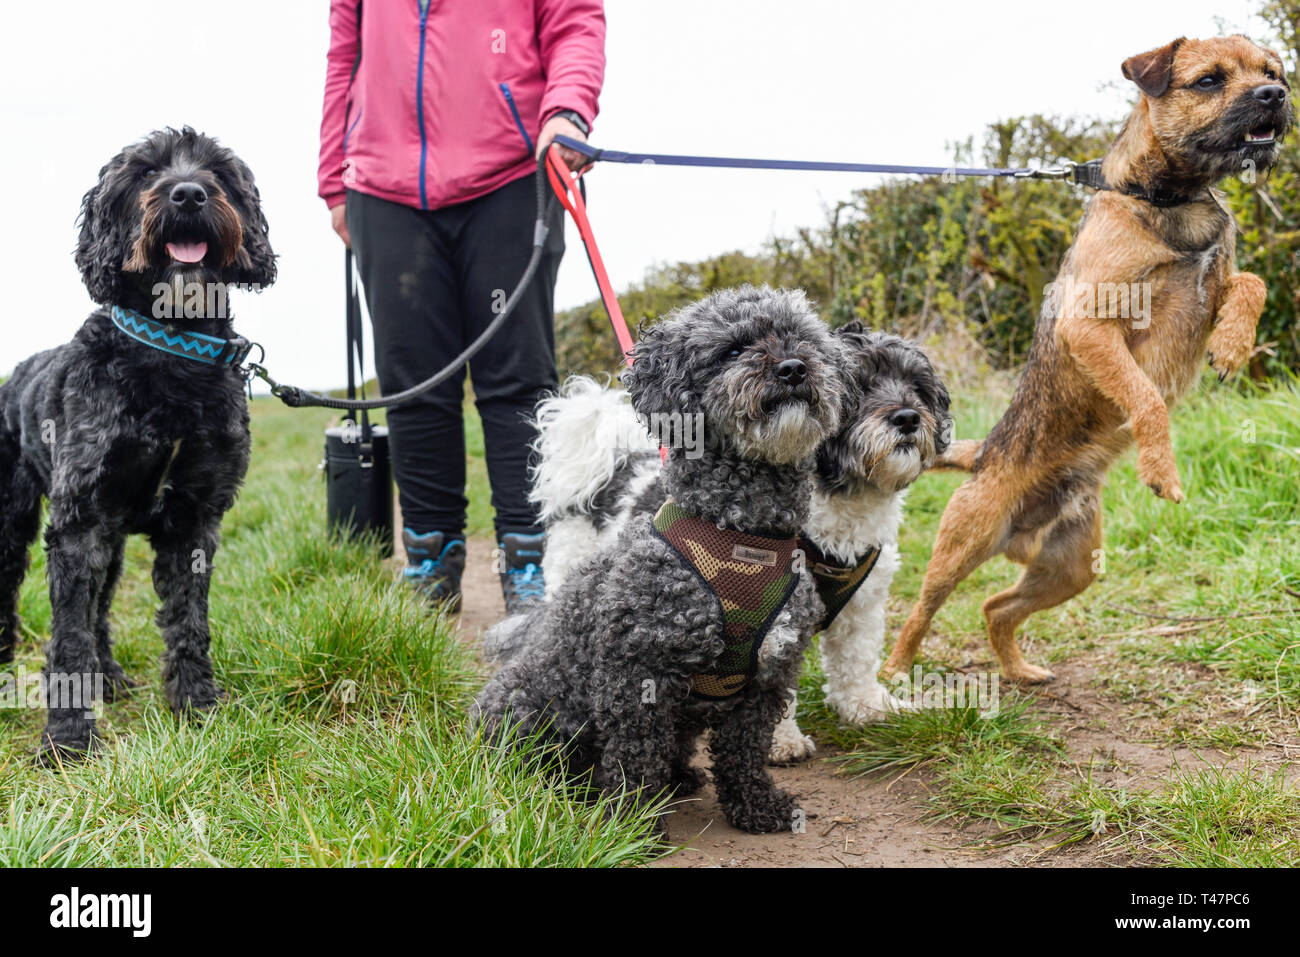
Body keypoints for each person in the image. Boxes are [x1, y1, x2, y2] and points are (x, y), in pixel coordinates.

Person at [318, 1, 605, 614]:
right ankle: (430, 561)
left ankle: (530, 565)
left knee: (519, 381)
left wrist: (567, 111)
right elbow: (344, 56)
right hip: (382, 187)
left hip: (512, 175)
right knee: (413, 381)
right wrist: (333, 178)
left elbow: (576, 22)